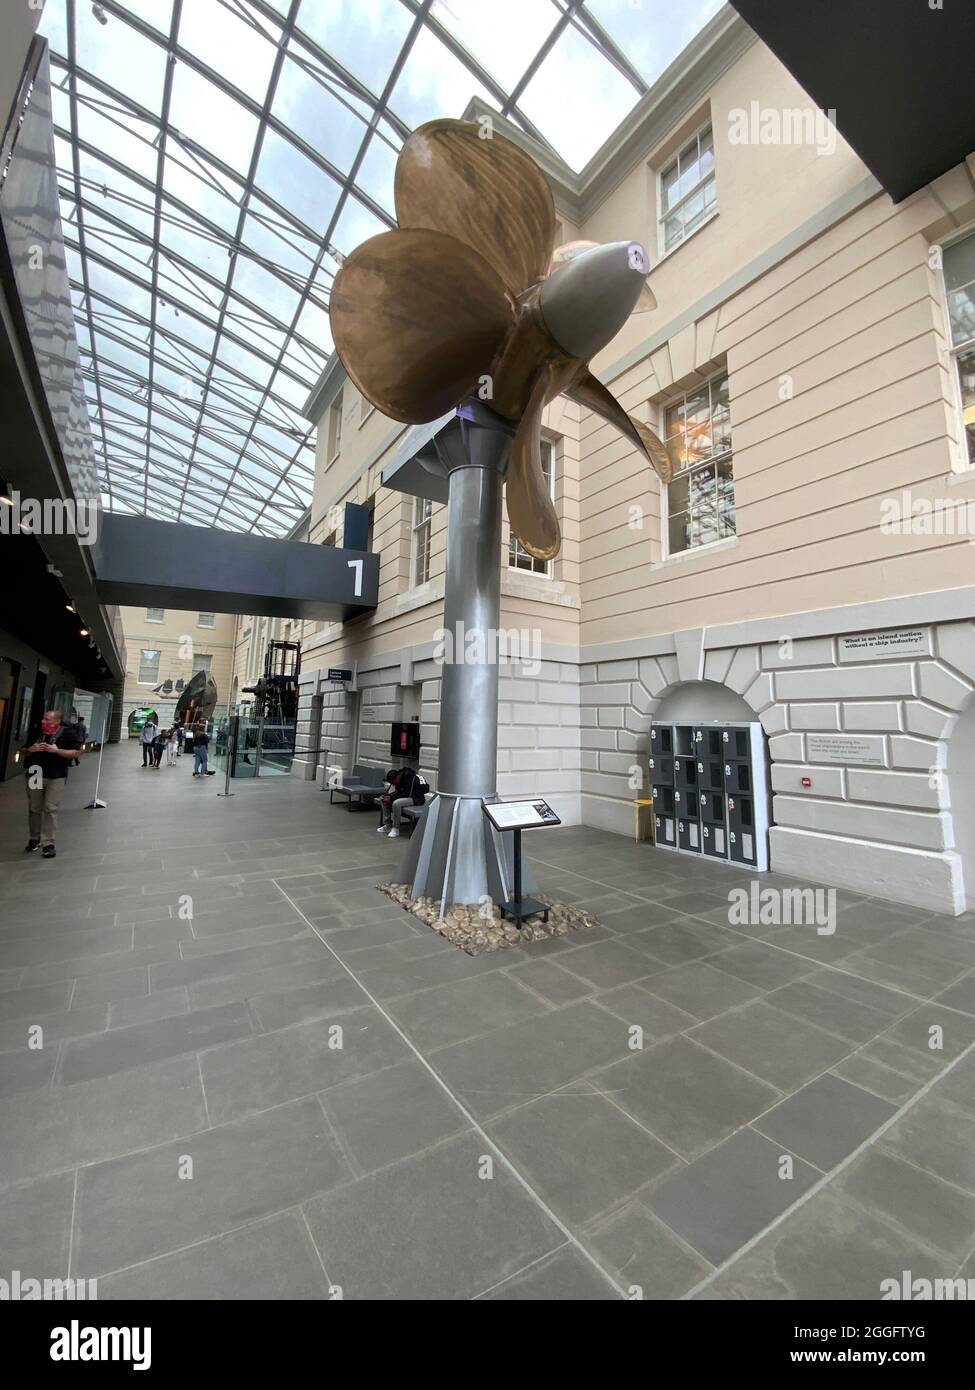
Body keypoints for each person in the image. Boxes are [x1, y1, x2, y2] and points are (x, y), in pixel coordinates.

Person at [20, 709, 83, 858]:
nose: (43, 721)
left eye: (47, 719)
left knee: (50, 807)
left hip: (56, 775)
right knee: (34, 808)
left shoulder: (67, 733)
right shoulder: (37, 732)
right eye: (43, 718)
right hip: (35, 773)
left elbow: (76, 753)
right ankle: (34, 839)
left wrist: (57, 750)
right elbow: (23, 750)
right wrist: (31, 749)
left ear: (56, 721)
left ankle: (48, 843)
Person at [378, 766, 429, 838]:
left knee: (396, 803)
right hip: (408, 797)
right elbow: (399, 791)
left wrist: (391, 798)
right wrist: (388, 796)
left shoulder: (411, 778)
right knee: (383, 800)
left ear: (397, 777)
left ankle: (396, 828)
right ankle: (388, 824)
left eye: (393, 782)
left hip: (416, 799)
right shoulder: (400, 779)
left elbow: (408, 794)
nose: (393, 784)